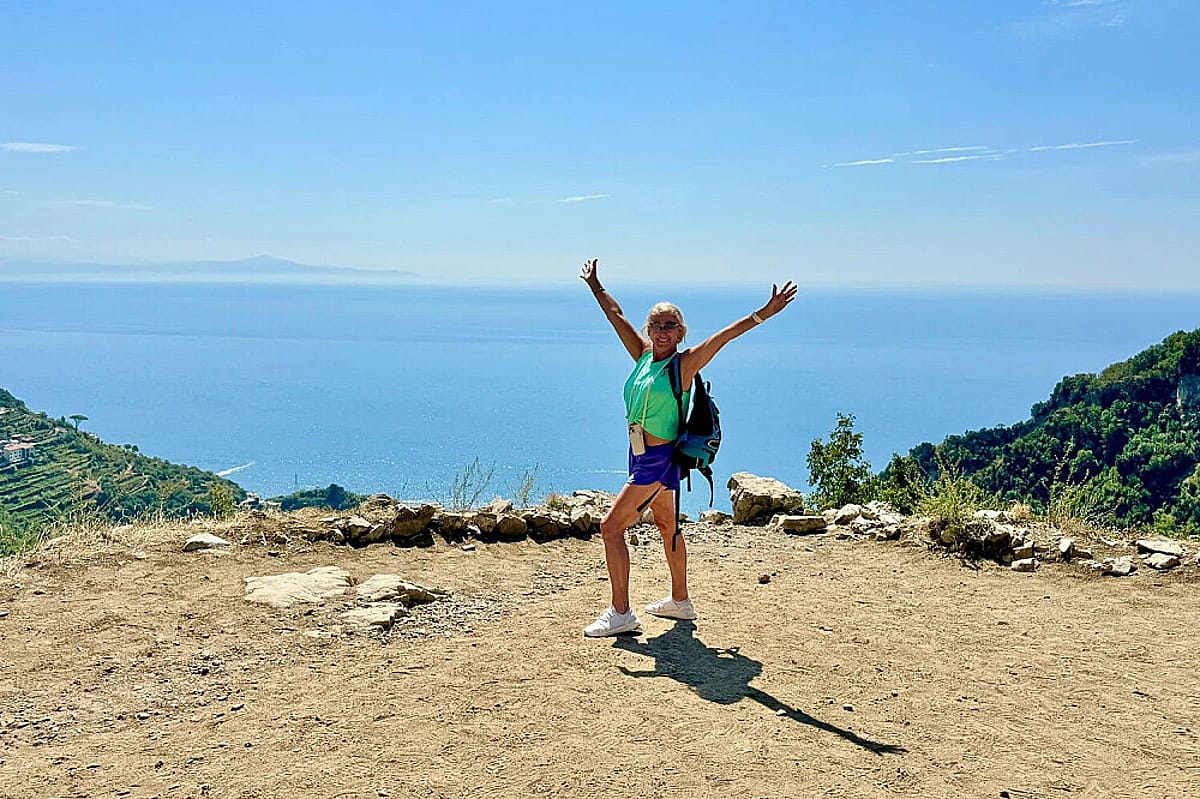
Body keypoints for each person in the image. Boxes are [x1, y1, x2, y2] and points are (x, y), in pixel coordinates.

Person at [580, 258, 797, 637]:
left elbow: (725, 336)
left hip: (658, 462)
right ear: (649, 330)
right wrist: (596, 286)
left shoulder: (683, 366)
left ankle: (620, 613)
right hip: (643, 455)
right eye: (656, 325)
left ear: (681, 332)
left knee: (611, 528)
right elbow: (616, 315)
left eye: (670, 325)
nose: (662, 330)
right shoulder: (644, 357)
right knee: (667, 526)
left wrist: (765, 313)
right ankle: (680, 602)